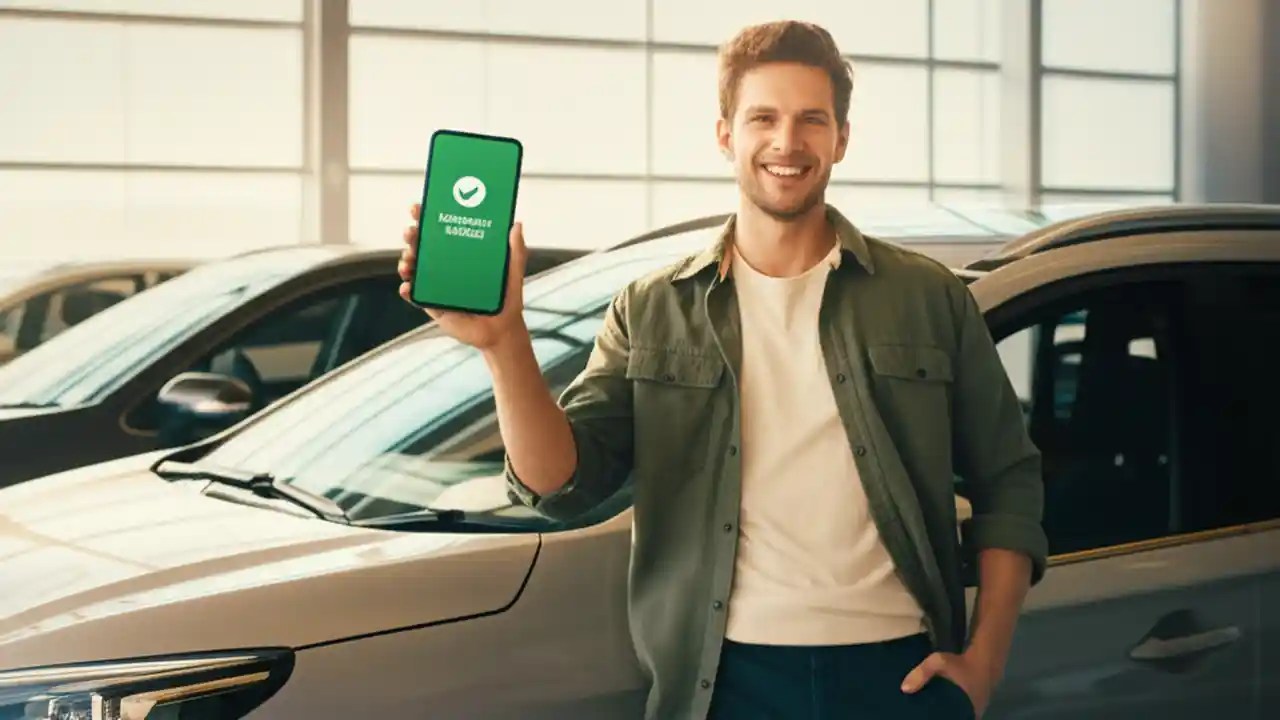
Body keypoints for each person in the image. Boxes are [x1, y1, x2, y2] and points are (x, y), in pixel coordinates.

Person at [397, 19, 1046, 720]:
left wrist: (984, 664)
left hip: (900, 676)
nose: (787, 142)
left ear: (841, 139)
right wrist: (504, 344)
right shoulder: (652, 308)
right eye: (763, 117)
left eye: (812, 119)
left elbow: (1008, 478)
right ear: (725, 136)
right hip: (722, 684)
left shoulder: (927, 297)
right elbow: (562, 486)